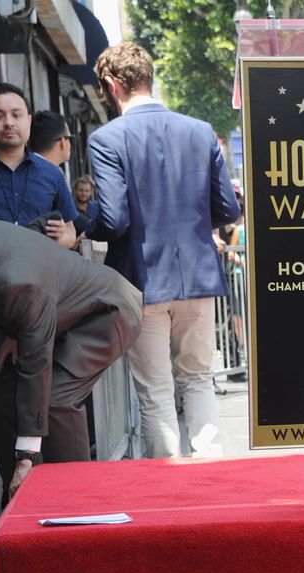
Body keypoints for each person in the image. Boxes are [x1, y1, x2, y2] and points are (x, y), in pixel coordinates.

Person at [88, 43, 240, 459]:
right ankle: (212, 478)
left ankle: (167, 489)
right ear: (148, 77)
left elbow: (113, 219)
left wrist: (85, 226)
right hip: (199, 276)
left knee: (155, 391)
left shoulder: (106, 139)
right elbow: (228, 208)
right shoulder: (199, 130)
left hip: (141, 280)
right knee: (198, 379)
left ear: (110, 85)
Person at [0, 83, 80, 512]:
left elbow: (73, 231)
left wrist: (70, 238)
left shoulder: (50, 175)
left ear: (28, 119)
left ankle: (40, 484)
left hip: (39, 302)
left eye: (16, 114)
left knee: (39, 388)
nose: (9, 122)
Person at [0, 221, 142, 499]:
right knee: (1, 401)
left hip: (105, 312)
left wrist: (26, 455)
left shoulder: (18, 282)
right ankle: (19, 506)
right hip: (54, 312)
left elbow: (36, 366)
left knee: (55, 400)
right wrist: (23, 327)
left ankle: (75, 505)